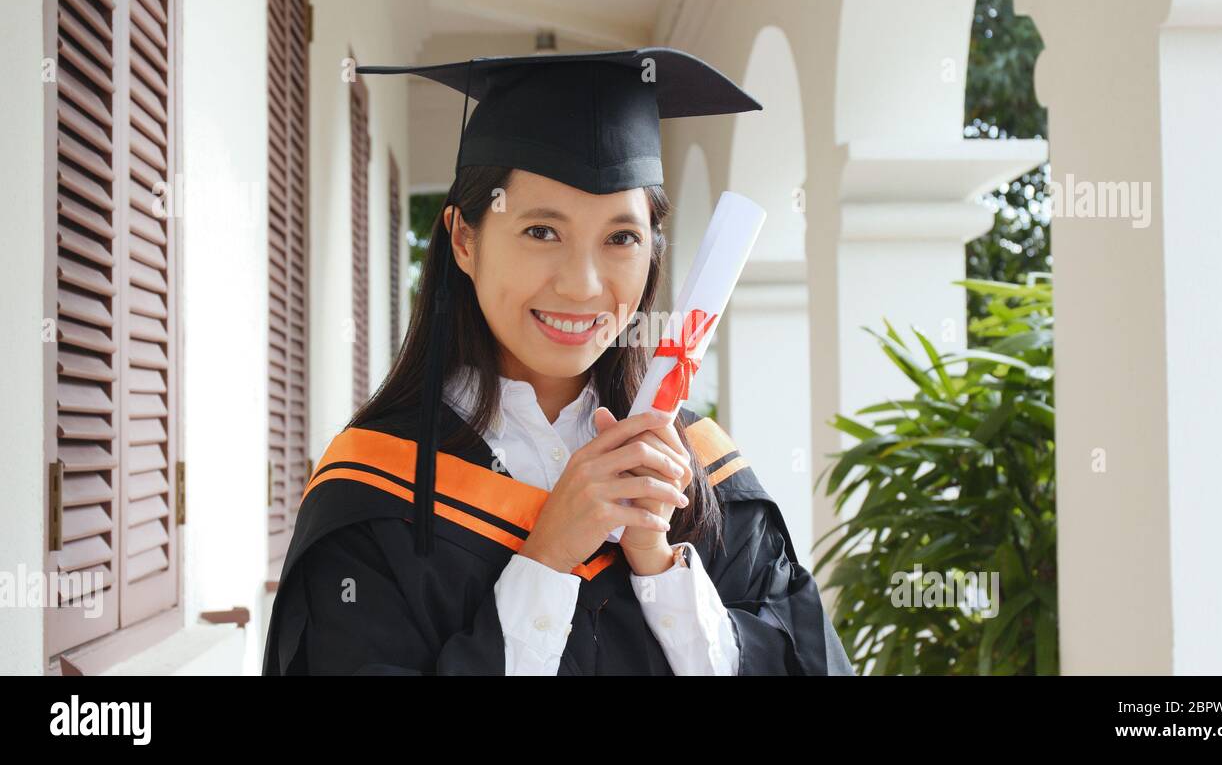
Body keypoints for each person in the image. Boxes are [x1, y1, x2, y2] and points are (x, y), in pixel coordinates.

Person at [261, 47, 854, 675]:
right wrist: (547, 557)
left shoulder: (700, 477)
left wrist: (661, 565)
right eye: (542, 231)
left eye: (621, 237)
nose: (582, 283)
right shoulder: (375, 495)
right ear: (465, 239)